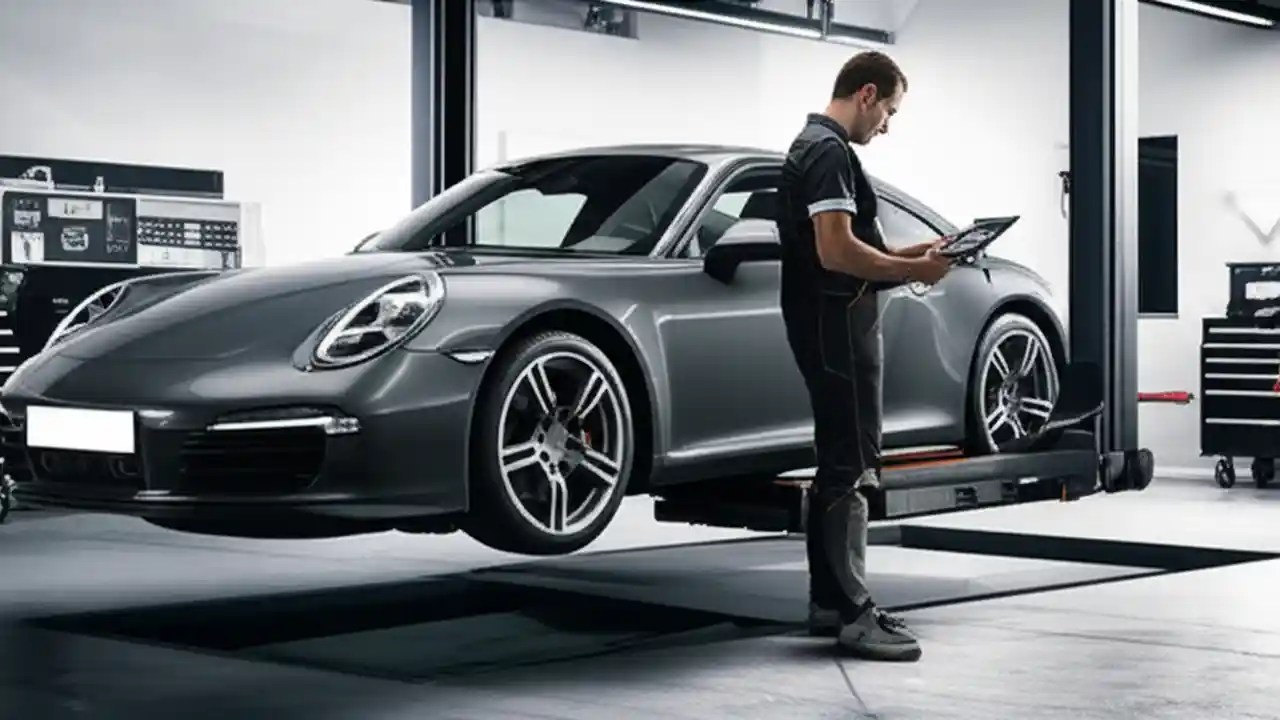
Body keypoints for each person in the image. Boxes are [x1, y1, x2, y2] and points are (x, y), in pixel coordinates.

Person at [777, 51, 952, 662]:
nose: (887, 127)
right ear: (868, 94)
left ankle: (829, 603)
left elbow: (854, 244)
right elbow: (836, 252)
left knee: (836, 463)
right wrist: (914, 272)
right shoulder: (827, 151)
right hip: (836, 327)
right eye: (890, 113)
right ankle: (853, 615)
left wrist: (925, 252)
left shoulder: (813, 147)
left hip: (831, 324)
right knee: (847, 469)